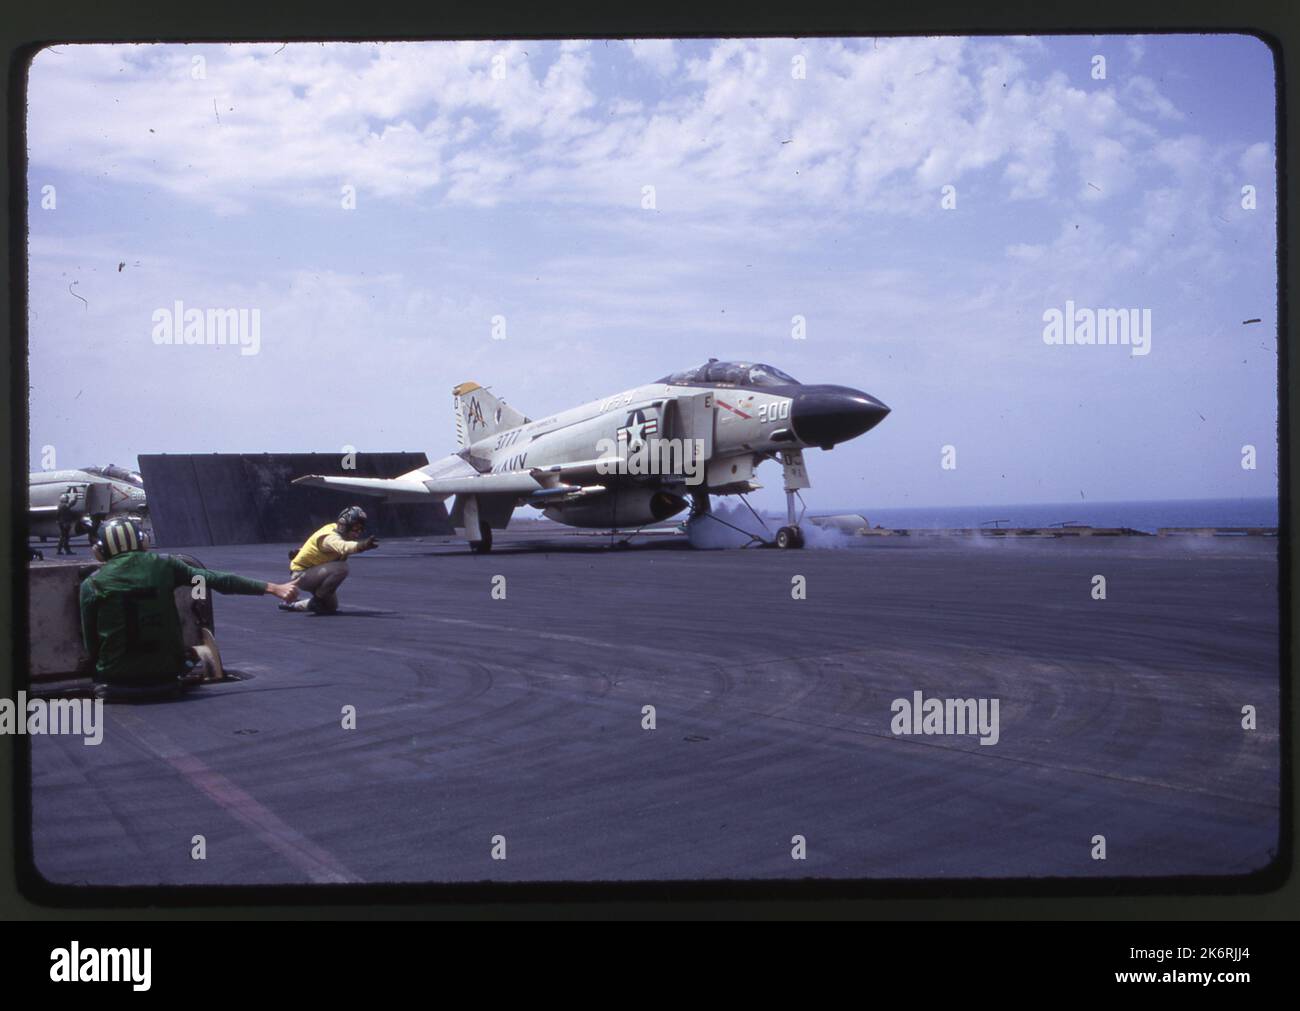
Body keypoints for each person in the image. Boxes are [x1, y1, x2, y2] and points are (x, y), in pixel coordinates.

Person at [80, 516, 299, 701]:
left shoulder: (92, 584)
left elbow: (90, 643)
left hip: (115, 685)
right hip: (166, 681)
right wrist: (273, 588)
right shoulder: (165, 565)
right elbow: (218, 580)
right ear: (144, 542)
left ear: (99, 551)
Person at [281, 505, 379, 614]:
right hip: (301, 575)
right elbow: (343, 546)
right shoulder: (330, 537)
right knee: (342, 568)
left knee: (330, 607)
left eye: (361, 529)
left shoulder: (335, 530)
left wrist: (300, 551)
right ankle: (317, 599)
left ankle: (294, 605)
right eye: (355, 528)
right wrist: (363, 545)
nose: (358, 532)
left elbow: (314, 544)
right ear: (344, 525)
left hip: (315, 572)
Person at [56, 486, 79, 556]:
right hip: (65, 523)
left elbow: (57, 515)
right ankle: (67, 550)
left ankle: (59, 550)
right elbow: (72, 503)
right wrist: (76, 495)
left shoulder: (60, 506)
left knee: (62, 537)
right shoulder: (65, 506)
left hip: (61, 523)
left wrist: (69, 490)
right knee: (65, 537)